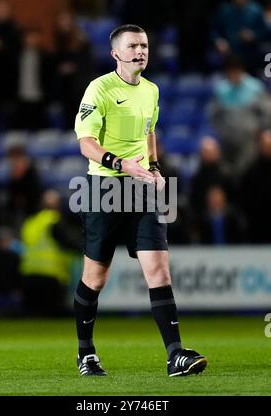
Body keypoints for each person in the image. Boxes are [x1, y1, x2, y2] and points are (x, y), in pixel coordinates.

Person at [74, 24, 207, 377]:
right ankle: (85, 352)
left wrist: (155, 166)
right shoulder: (99, 89)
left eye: (144, 45)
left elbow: (149, 132)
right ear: (115, 53)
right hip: (104, 188)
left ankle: (175, 354)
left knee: (159, 270)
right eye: (132, 46)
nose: (140, 51)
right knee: (96, 277)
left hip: (142, 188)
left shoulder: (151, 90)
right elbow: (86, 142)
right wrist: (120, 164)